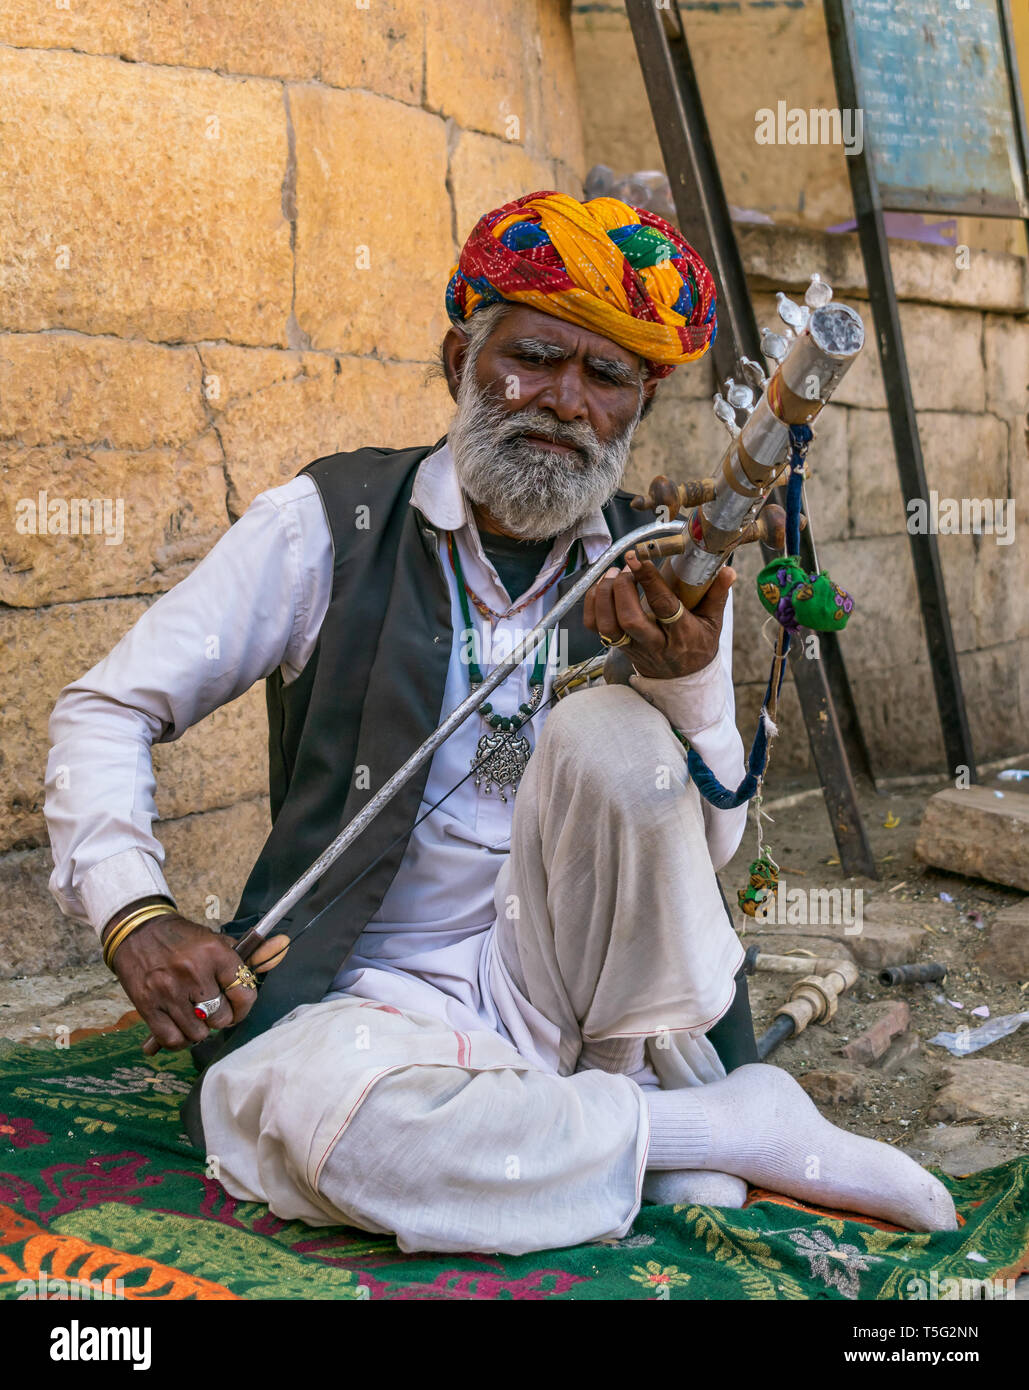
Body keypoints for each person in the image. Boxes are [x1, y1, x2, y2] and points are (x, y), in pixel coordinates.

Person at [45, 191, 956, 1254]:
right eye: (532, 358)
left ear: (635, 408)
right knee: (340, 1129)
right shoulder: (327, 526)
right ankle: (714, 1131)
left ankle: (608, 1124)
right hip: (361, 1001)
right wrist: (137, 915)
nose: (564, 401)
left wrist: (691, 687)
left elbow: (703, 864)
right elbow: (106, 706)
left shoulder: (658, 571)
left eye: (606, 375)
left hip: (582, 1014)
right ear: (458, 362)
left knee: (613, 738)